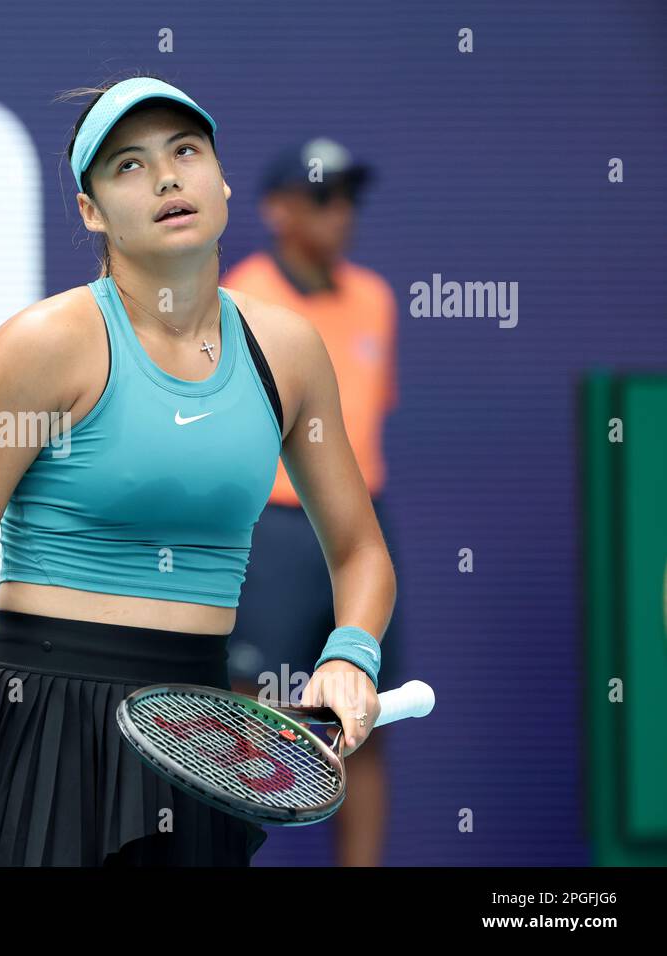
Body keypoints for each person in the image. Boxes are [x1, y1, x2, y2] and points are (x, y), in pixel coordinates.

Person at [0, 73, 396, 867]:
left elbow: (360, 550)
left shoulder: (289, 351)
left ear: (222, 178)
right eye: (129, 165)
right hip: (40, 728)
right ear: (91, 211)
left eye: (186, 151)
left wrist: (350, 653)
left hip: (202, 737)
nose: (168, 177)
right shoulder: (39, 347)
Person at [220, 137, 404, 866]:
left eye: (349, 199)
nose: (341, 214)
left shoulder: (379, 301)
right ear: (278, 211)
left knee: (368, 715)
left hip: (361, 530)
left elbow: (365, 420)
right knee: (243, 718)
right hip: (273, 533)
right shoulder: (238, 298)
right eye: (323, 197)